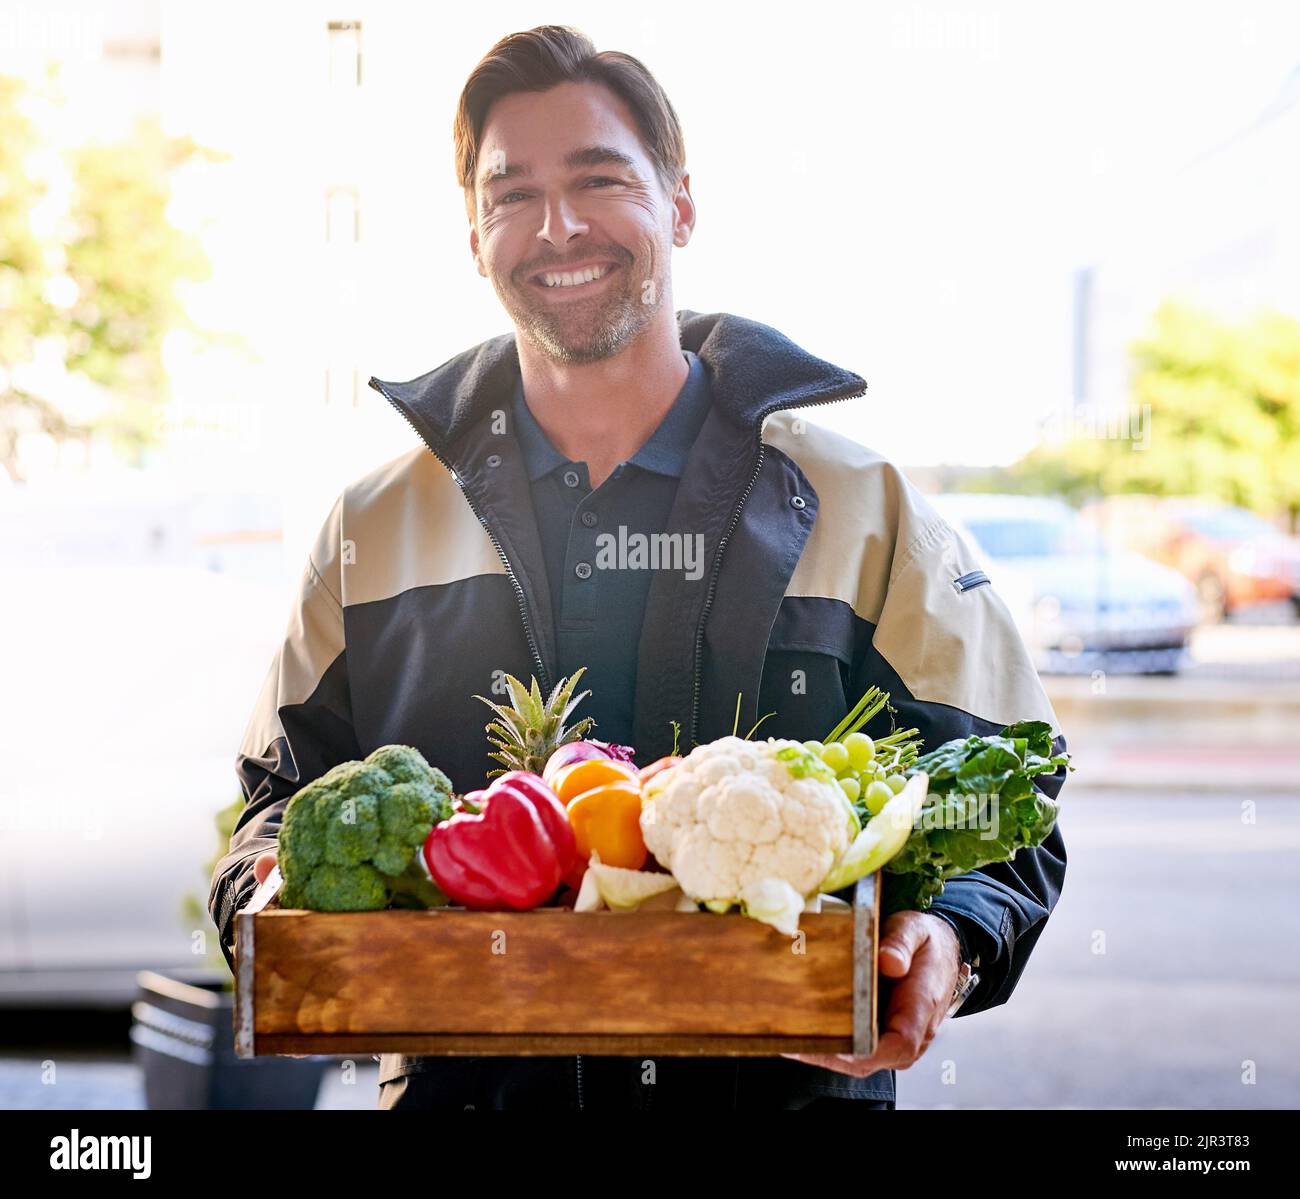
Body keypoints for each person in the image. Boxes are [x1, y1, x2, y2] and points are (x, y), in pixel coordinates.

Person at [209, 24, 1068, 1112]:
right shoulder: (373, 526)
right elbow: (274, 806)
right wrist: (271, 893)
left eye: (598, 178)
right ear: (474, 235)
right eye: (510, 191)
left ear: (681, 203)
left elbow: (1009, 792)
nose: (556, 224)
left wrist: (949, 930)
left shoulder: (862, 508)